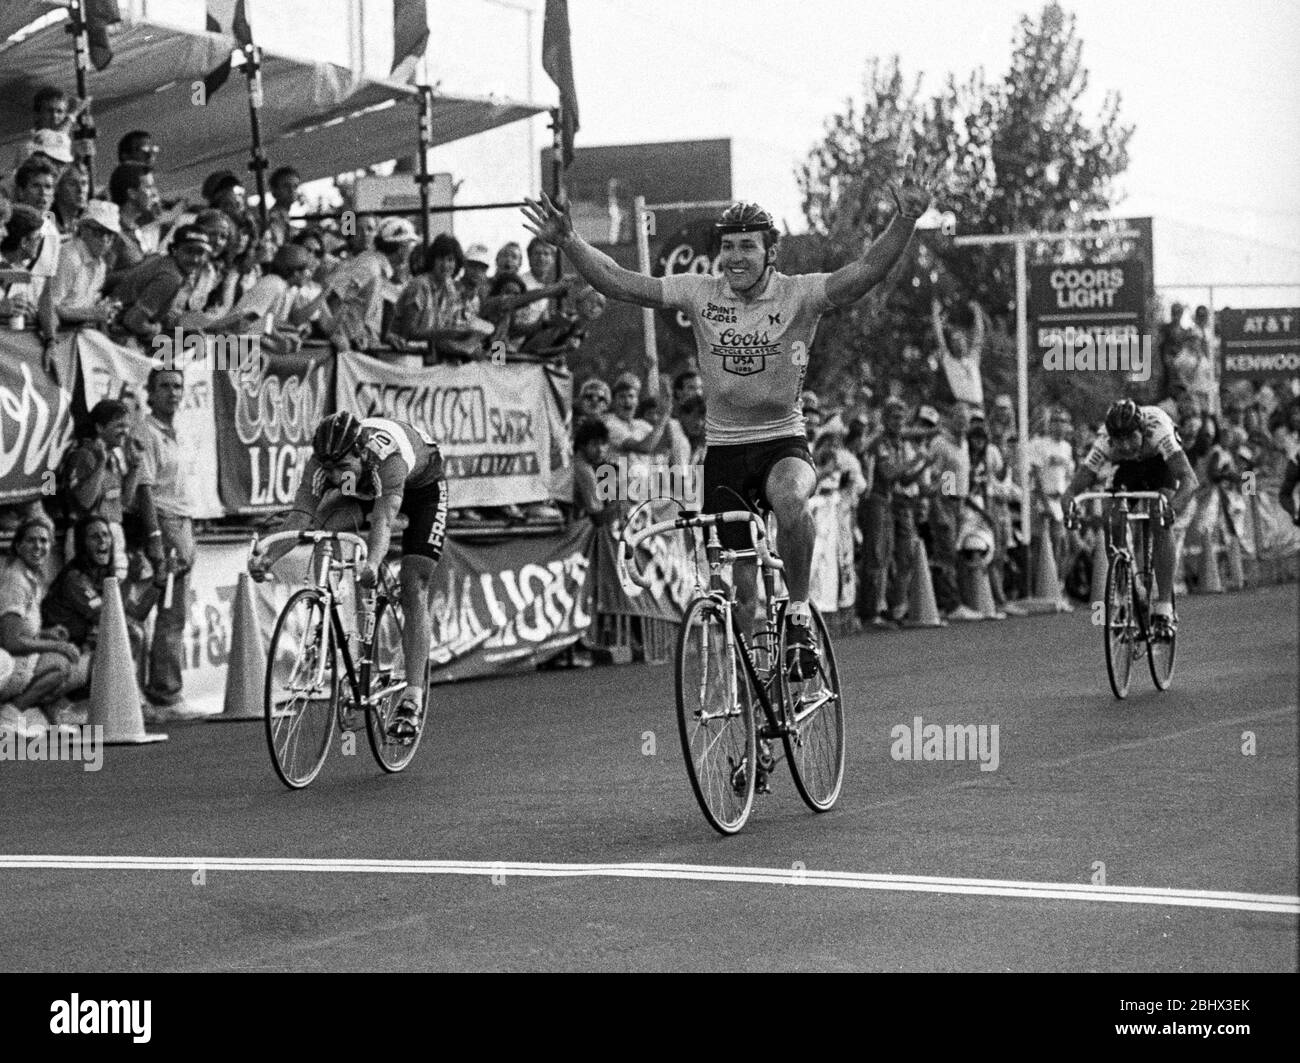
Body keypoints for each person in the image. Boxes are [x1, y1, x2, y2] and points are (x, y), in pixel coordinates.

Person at [524, 166, 936, 676]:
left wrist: (905, 219)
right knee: (741, 594)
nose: (736, 257)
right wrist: (570, 241)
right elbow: (624, 283)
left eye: (748, 247)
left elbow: (866, 271)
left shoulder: (800, 293)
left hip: (783, 439)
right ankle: (755, 692)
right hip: (724, 452)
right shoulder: (701, 292)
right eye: (729, 246)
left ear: (770, 253)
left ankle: (800, 617)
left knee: (789, 500)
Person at [250, 412, 447, 741]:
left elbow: (383, 520)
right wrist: (268, 558)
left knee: (414, 583)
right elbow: (301, 517)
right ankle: (327, 608)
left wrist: (371, 562)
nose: (334, 475)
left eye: (342, 467)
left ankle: (413, 694)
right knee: (323, 526)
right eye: (328, 469)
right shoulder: (325, 464)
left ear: (361, 452)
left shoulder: (388, 459)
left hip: (421, 490)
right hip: (365, 492)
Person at [1064, 399, 1200, 637]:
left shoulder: (1159, 431)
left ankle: (1164, 608)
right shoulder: (1104, 441)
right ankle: (1129, 593)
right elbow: (1073, 489)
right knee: (1111, 520)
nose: (1126, 445)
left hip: (1160, 465)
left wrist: (1173, 509)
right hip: (1127, 470)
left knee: (1160, 516)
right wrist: (1070, 507)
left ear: (1142, 431)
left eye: (1131, 438)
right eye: (1120, 441)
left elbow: (1190, 480)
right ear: (1111, 438)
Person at [131, 367, 209, 721]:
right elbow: (144, 487)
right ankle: (163, 693)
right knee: (165, 612)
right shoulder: (146, 430)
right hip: (164, 521)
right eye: (164, 386)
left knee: (172, 611)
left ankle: (158, 691)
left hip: (182, 521)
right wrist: (155, 538)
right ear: (149, 392)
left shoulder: (175, 430)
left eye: (178, 386)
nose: (172, 393)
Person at [43, 515, 169, 674]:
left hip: (81, 646)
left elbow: (136, 613)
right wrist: (129, 579)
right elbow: (111, 620)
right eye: (95, 537)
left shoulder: (102, 573)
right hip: (60, 650)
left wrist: (157, 584)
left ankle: (131, 692)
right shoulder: (74, 578)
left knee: (135, 631)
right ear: (82, 544)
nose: (102, 541)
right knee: (130, 634)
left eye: (105, 535)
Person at [0, 516, 87, 733]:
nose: (39, 546)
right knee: (60, 663)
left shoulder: (30, 576)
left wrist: (46, 634)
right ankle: (11, 713)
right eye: (31, 541)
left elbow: (22, 628)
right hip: (9, 665)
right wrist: (56, 646)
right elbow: (11, 641)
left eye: (44, 541)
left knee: (63, 659)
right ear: (18, 546)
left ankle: (48, 718)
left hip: (21, 662)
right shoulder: (16, 580)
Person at [859, 397, 926, 626]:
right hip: (874, 500)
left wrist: (923, 465)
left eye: (901, 418)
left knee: (887, 555)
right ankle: (870, 612)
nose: (898, 422)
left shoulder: (897, 443)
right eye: (894, 417)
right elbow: (888, 473)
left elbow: (904, 479)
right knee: (876, 555)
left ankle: (885, 607)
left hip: (888, 501)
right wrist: (913, 461)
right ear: (885, 419)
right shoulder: (880, 442)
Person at [389, 232, 494, 361]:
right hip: (402, 356)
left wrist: (460, 350)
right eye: (440, 259)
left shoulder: (453, 290)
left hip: (426, 358)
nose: (445, 265)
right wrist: (448, 335)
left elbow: (442, 332)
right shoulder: (421, 285)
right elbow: (408, 332)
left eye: (450, 260)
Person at [325, 217, 420, 350]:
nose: (412, 250)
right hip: (341, 349)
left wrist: (385, 336)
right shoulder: (369, 266)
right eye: (411, 245)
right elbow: (334, 298)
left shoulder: (380, 269)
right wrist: (337, 333)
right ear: (401, 247)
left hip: (355, 347)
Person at [111, 224, 212, 342]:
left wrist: (188, 326)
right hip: (114, 330)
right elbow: (133, 321)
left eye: (200, 253)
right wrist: (155, 329)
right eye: (188, 251)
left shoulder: (164, 261)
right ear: (175, 250)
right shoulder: (170, 277)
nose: (195, 259)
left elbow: (162, 311)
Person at [38, 199, 121, 338]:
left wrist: (102, 310)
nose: (105, 240)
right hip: (59, 335)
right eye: (99, 232)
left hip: (81, 334)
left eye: (111, 235)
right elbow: (51, 307)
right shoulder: (69, 257)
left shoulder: (101, 264)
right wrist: (94, 313)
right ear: (83, 229)